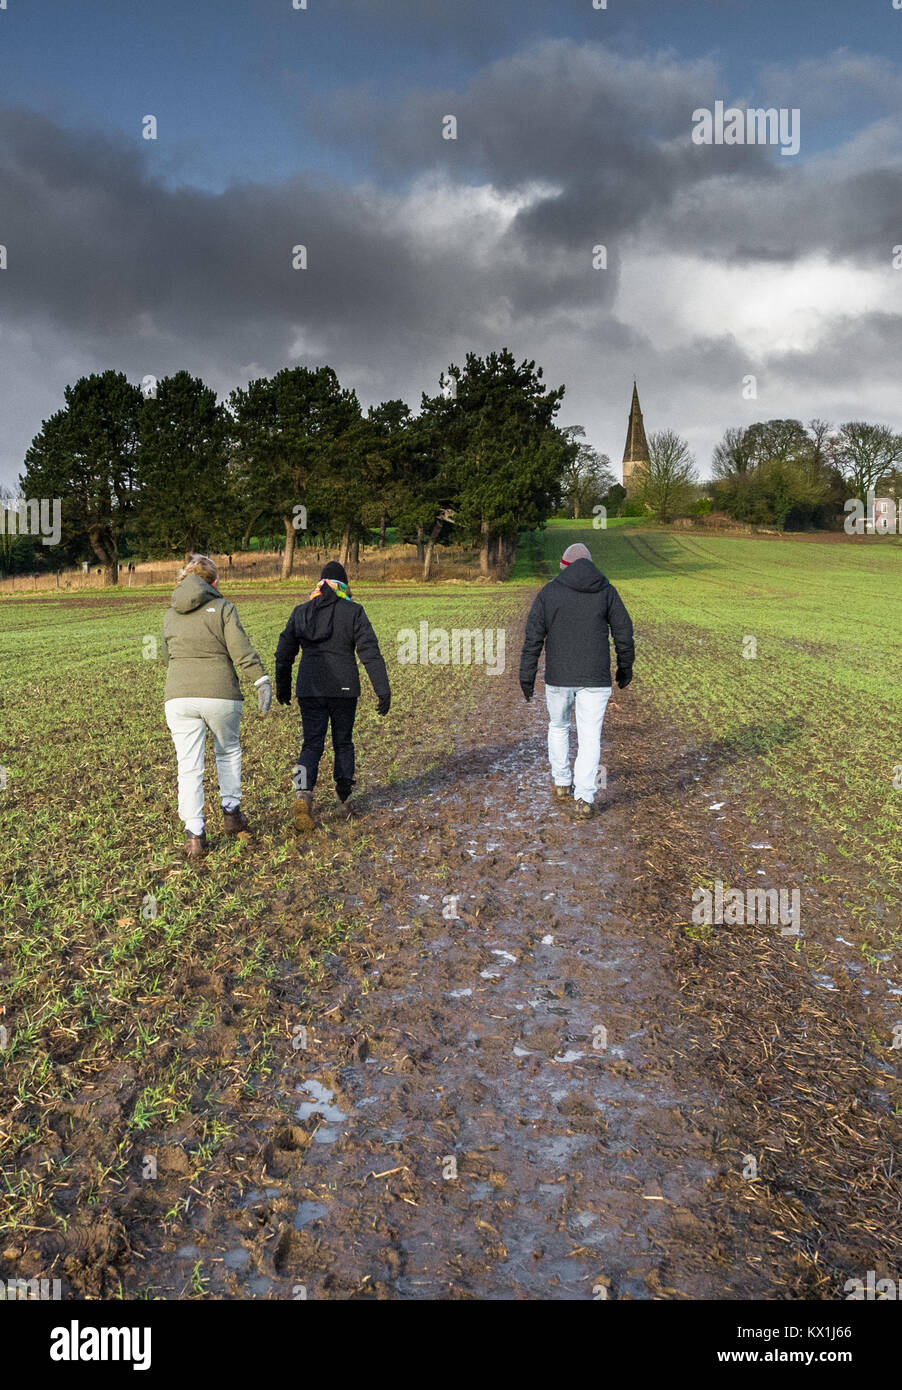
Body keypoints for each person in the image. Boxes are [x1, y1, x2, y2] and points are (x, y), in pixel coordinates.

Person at [162, 554, 271, 855]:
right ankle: (232, 814)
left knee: (189, 767)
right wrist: (260, 680)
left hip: (179, 698)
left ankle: (195, 835)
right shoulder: (223, 608)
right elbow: (241, 651)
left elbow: (164, 656)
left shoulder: (170, 614)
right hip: (220, 695)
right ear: (212, 581)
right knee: (227, 751)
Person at [519, 541, 634, 819]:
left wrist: (527, 675)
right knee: (589, 736)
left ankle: (561, 783)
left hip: (559, 678)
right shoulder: (606, 592)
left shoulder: (549, 593)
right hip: (595, 679)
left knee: (558, 726)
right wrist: (624, 667)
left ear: (564, 565)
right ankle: (584, 796)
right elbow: (624, 633)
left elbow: (533, 638)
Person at [275, 560, 390, 831]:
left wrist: (283, 686)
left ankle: (303, 792)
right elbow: (369, 652)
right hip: (344, 689)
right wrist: (382, 690)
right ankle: (344, 798)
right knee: (343, 743)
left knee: (311, 744)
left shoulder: (301, 612)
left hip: (310, 688)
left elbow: (284, 653)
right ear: (344, 586)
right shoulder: (353, 611)